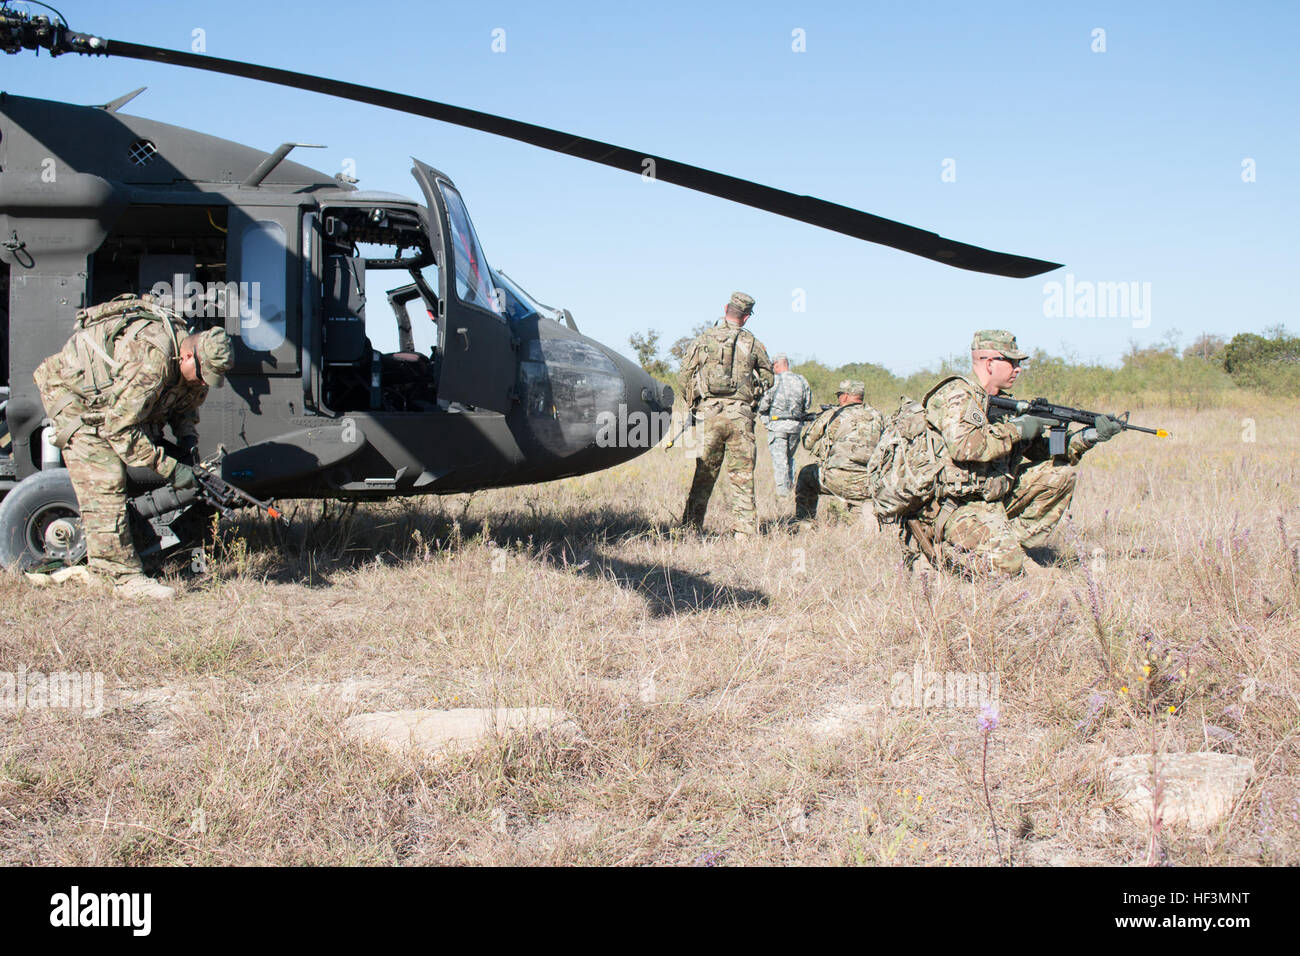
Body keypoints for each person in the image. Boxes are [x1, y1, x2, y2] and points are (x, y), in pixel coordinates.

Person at [30, 293, 234, 599]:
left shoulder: (191, 370)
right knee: (105, 475)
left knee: (135, 454)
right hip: (74, 395)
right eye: (204, 375)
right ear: (189, 356)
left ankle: (110, 562)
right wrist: (170, 468)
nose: (205, 383)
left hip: (110, 402)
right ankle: (120, 577)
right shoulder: (152, 359)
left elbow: (184, 408)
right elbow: (120, 430)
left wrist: (187, 442)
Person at [904, 329, 1121, 577]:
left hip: (994, 500)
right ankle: (935, 555)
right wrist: (1019, 428)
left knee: (1060, 474)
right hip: (957, 507)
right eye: (1012, 362)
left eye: (1019, 363)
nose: (1018, 369)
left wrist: (1088, 437)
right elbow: (964, 446)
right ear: (989, 362)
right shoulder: (957, 395)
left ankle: (1009, 546)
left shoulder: (1005, 404)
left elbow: (1045, 453)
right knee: (1008, 566)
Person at [679, 291, 774, 539]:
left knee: (704, 474)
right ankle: (744, 533)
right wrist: (752, 399)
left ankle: (690, 529)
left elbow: (684, 376)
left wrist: (696, 404)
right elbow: (769, 377)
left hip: (710, 416)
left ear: (725, 309)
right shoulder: (752, 342)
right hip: (740, 418)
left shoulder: (703, 340)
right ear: (746, 317)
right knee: (742, 477)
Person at [794, 380, 884, 527]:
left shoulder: (834, 415)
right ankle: (860, 521)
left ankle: (806, 524)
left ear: (845, 396)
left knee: (806, 474)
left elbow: (807, 443)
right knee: (860, 500)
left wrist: (818, 422)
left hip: (838, 480)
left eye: (839, 395)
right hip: (869, 482)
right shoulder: (877, 416)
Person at [757, 353, 813, 497]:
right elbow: (807, 403)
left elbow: (763, 405)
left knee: (780, 461)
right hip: (795, 427)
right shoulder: (801, 380)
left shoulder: (773, 381)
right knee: (790, 459)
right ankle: (792, 488)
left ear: (776, 365)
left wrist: (765, 418)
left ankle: (783, 495)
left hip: (777, 427)